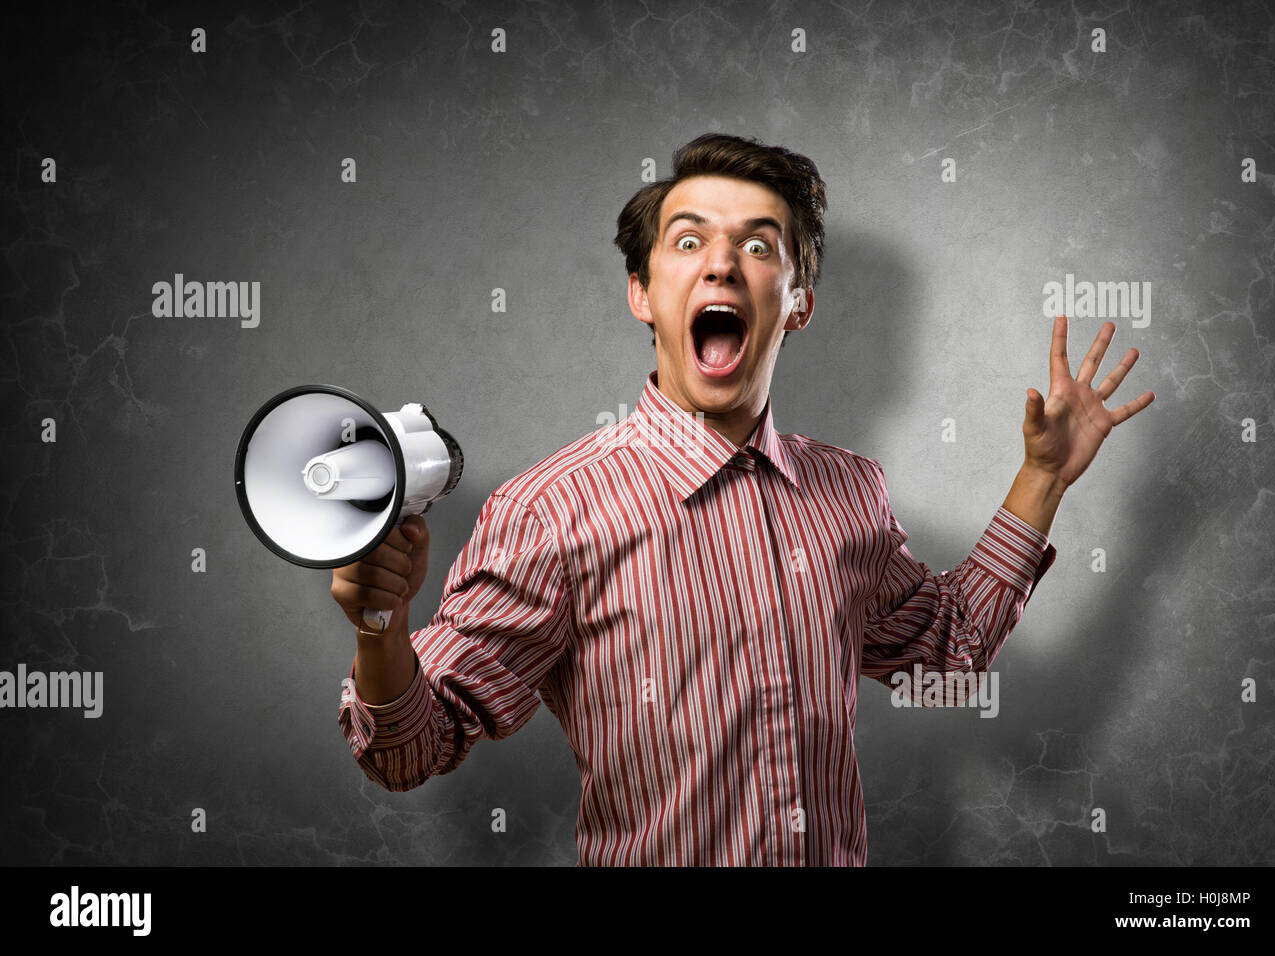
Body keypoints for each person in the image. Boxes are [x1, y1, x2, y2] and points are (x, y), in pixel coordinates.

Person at [331, 133, 1155, 866]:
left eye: (759, 247)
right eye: (687, 242)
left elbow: (949, 656)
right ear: (642, 293)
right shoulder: (551, 509)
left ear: (797, 303)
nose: (721, 263)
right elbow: (409, 750)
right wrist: (381, 626)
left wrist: (1042, 478)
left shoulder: (850, 493)